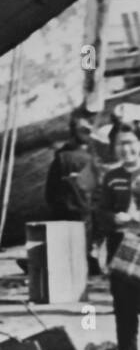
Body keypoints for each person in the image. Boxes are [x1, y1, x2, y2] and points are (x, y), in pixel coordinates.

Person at [45, 105, 103, 271]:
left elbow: (49, 193)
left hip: (63, 214)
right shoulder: (91, 159)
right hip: (85, 217)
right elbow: (98, 193)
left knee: (66, 253)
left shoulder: (61, 158)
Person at [102, 122, 140, 350]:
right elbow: (100, 212)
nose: (125, 149)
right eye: (120, 144)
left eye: (130, 143)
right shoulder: (111, 177)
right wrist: (111, 218)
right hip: (119, 247)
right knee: (125, 306)